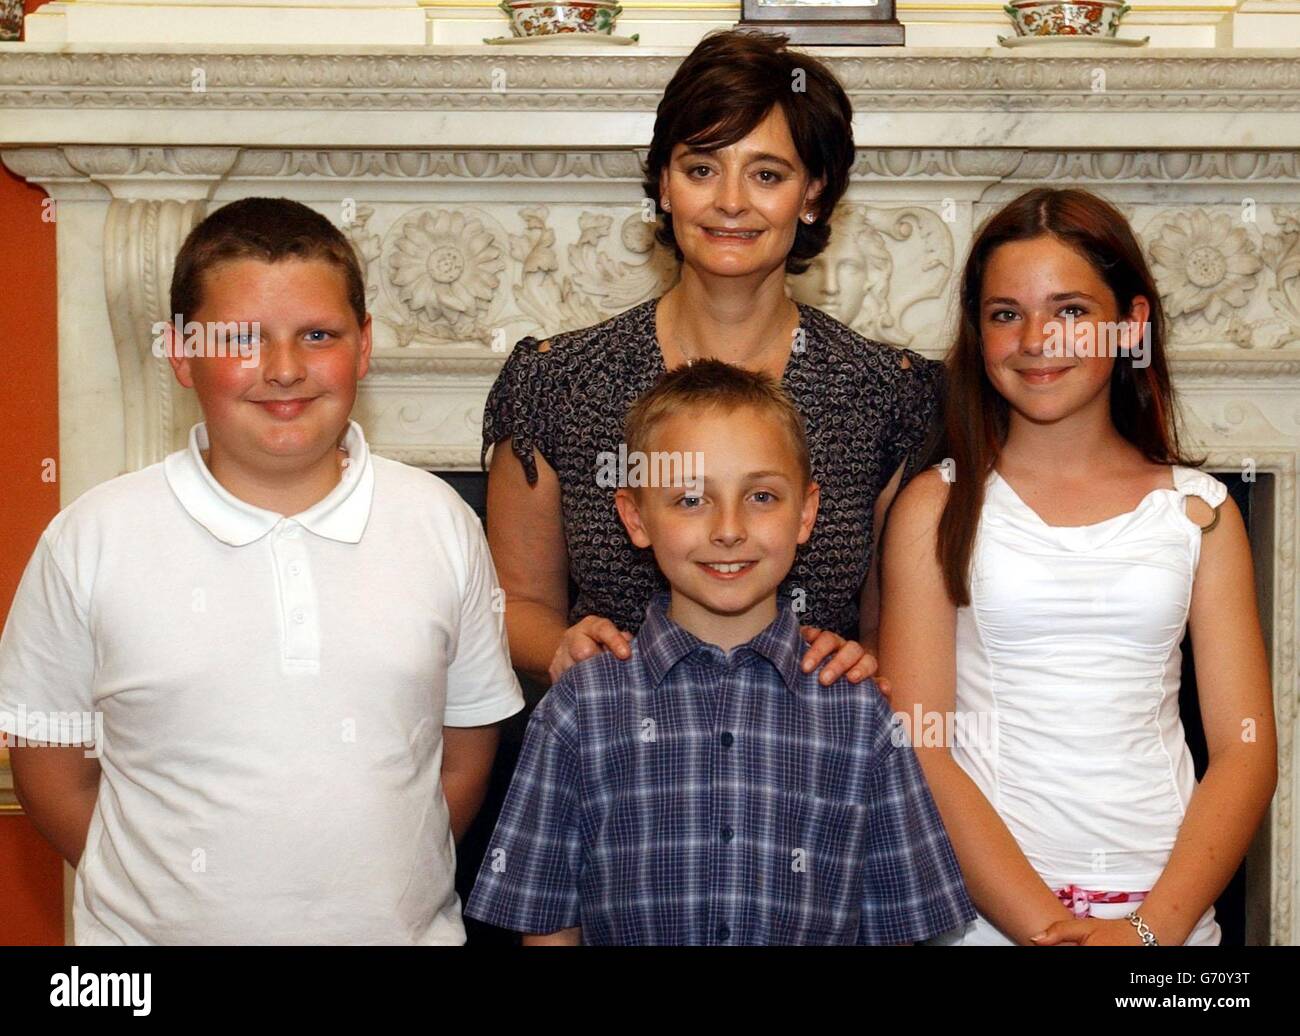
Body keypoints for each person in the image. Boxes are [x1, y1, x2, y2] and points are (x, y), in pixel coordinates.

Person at [0, 197, 524, 944]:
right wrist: (174, 903)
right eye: (242, 338)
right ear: (181, 352)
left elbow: (463, 754)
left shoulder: (439, 522)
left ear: (364, 347)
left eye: (318, 335)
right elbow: (52, 774)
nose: (284, 370)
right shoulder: (91, 538)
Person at [482, 28, 943, 692]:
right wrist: (562, 646)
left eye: (766, 174)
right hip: (619, 752)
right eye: (702, 169)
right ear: (665, 187)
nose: (731, 201)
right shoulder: (558, 383)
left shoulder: (886, 395)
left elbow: (893, 629)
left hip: (810, 752)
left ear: (812, 194)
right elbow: (512, 604)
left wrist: (864, 660)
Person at [879, 187, 1277, 946]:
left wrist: (1147, 931)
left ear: (1130, 327)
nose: (1037, 340)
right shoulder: (936, 508)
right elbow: (920, 742)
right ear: (978, 332)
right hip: (987, 919)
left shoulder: (1202, 513)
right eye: (1005, 314)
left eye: (1070, 311)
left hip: (1164, 922)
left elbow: (1245, 748)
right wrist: (1044, 930)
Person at [465, 360, 973, 945]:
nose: (728, 529)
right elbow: (548, 923)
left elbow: (901, 925)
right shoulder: (580, 707)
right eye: (689, 500)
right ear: (635, 516)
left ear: (806, 512)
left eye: (760, 495)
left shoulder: (860, 713)